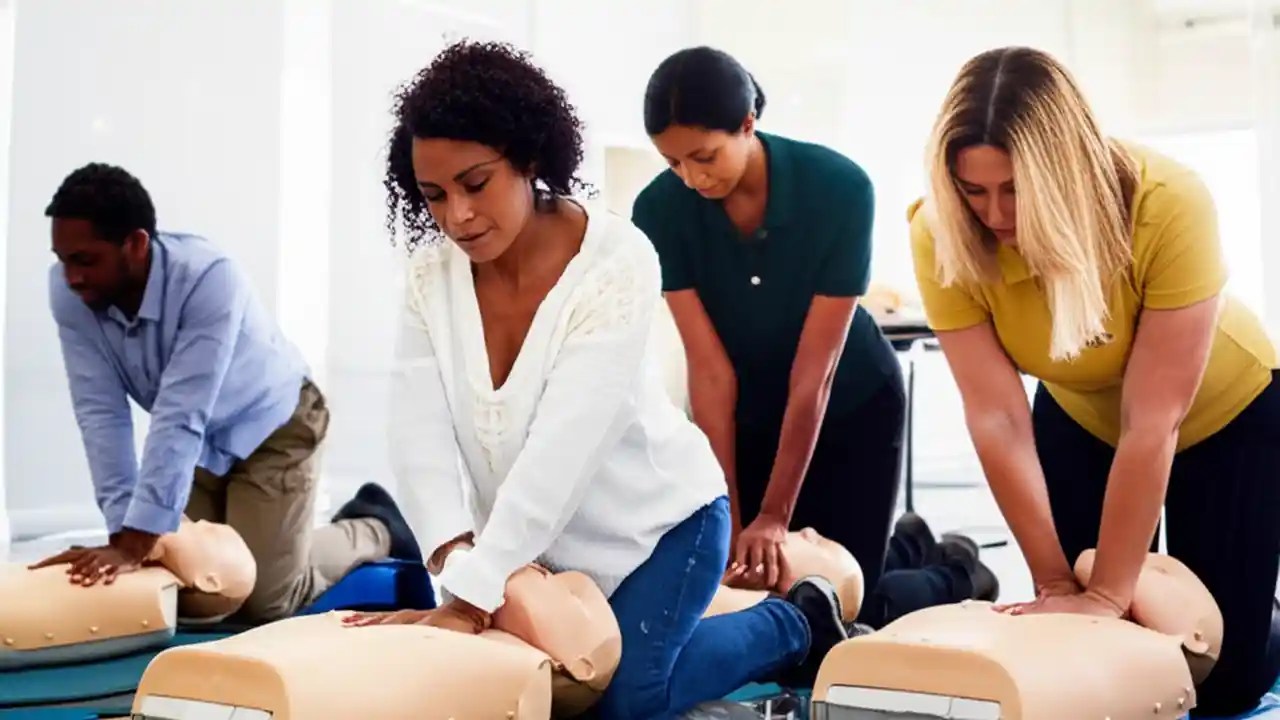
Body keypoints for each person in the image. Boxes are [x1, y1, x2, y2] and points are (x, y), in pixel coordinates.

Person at [357, 39, 851, 718]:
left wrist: (477, 591)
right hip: (531, 549)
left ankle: (796, 622)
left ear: (529, 158)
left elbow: (565, 447)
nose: (457, 217)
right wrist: (452, 558)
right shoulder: (429, 277)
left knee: (622, 702)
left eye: (476, 184)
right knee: (532, 687)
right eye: (433, 195)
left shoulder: (618, 259)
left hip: (661, 528)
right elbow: (417, 430)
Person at [910, 46, 1280, 716]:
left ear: (1064, 172)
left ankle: (1262, 620)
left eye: (1016, 188)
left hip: (1227, 413)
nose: (994, 215)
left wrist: (1110, 594)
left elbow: (1153, 420)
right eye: (974, 189)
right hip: (1080, 412)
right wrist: (1057, 583)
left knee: (1221, 678)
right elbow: (996, 417)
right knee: (1085, 641)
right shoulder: (941, 231)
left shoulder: (1170, 203)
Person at [631, 46, 993, 621]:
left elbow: (814, 377)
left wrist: (774, 515)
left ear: (748, 124)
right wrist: (727, 514)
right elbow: (710, 372)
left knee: (849, 606)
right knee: (759, 589)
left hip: (851, 403)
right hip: (749, 411)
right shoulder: (657, 211)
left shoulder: (839, 188)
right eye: (673, 163)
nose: (691, 178)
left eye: (704, 156)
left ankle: (954, 565)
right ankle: (904, 544)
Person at [36, 163, 420, 622]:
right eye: (63, 260)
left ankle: (372, 525)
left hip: (276, 425)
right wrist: (123, 532)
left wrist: (138, 538)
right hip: (202, 445)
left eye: (85, 260)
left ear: (135, 244)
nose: (72, 276)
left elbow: (181, 412)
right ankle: (278, 538)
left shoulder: (208, 278)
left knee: (263, 599)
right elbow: (100, 415)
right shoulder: (69, 294)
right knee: (193, 583)